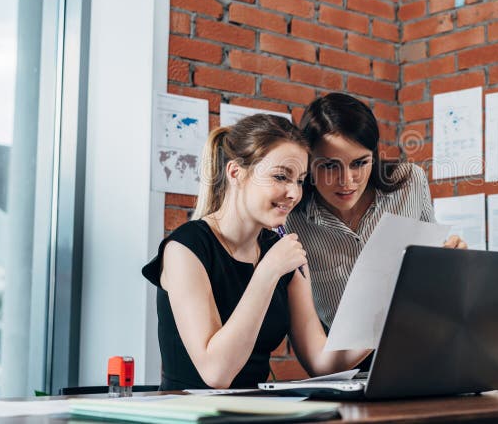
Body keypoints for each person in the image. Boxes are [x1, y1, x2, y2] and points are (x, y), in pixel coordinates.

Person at [142, 114, 370, 390]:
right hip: (190, 414)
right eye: (280, 177)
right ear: (236, 173)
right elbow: (216, 373)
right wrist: (267, 272)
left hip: (256, 411)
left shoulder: (279, 250)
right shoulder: (185, 249)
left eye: (299, 180)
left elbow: (321, 360)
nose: (293, 193)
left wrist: (382, 321)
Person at [287, 93, 467, 331]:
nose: (347, 180)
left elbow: (433, 265)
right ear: (308, 161)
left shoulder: (409, 183)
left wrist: (453, 260)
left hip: (420, 334)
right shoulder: (291, 216)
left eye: (360, 163)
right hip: (343, 358)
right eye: (330, 166)